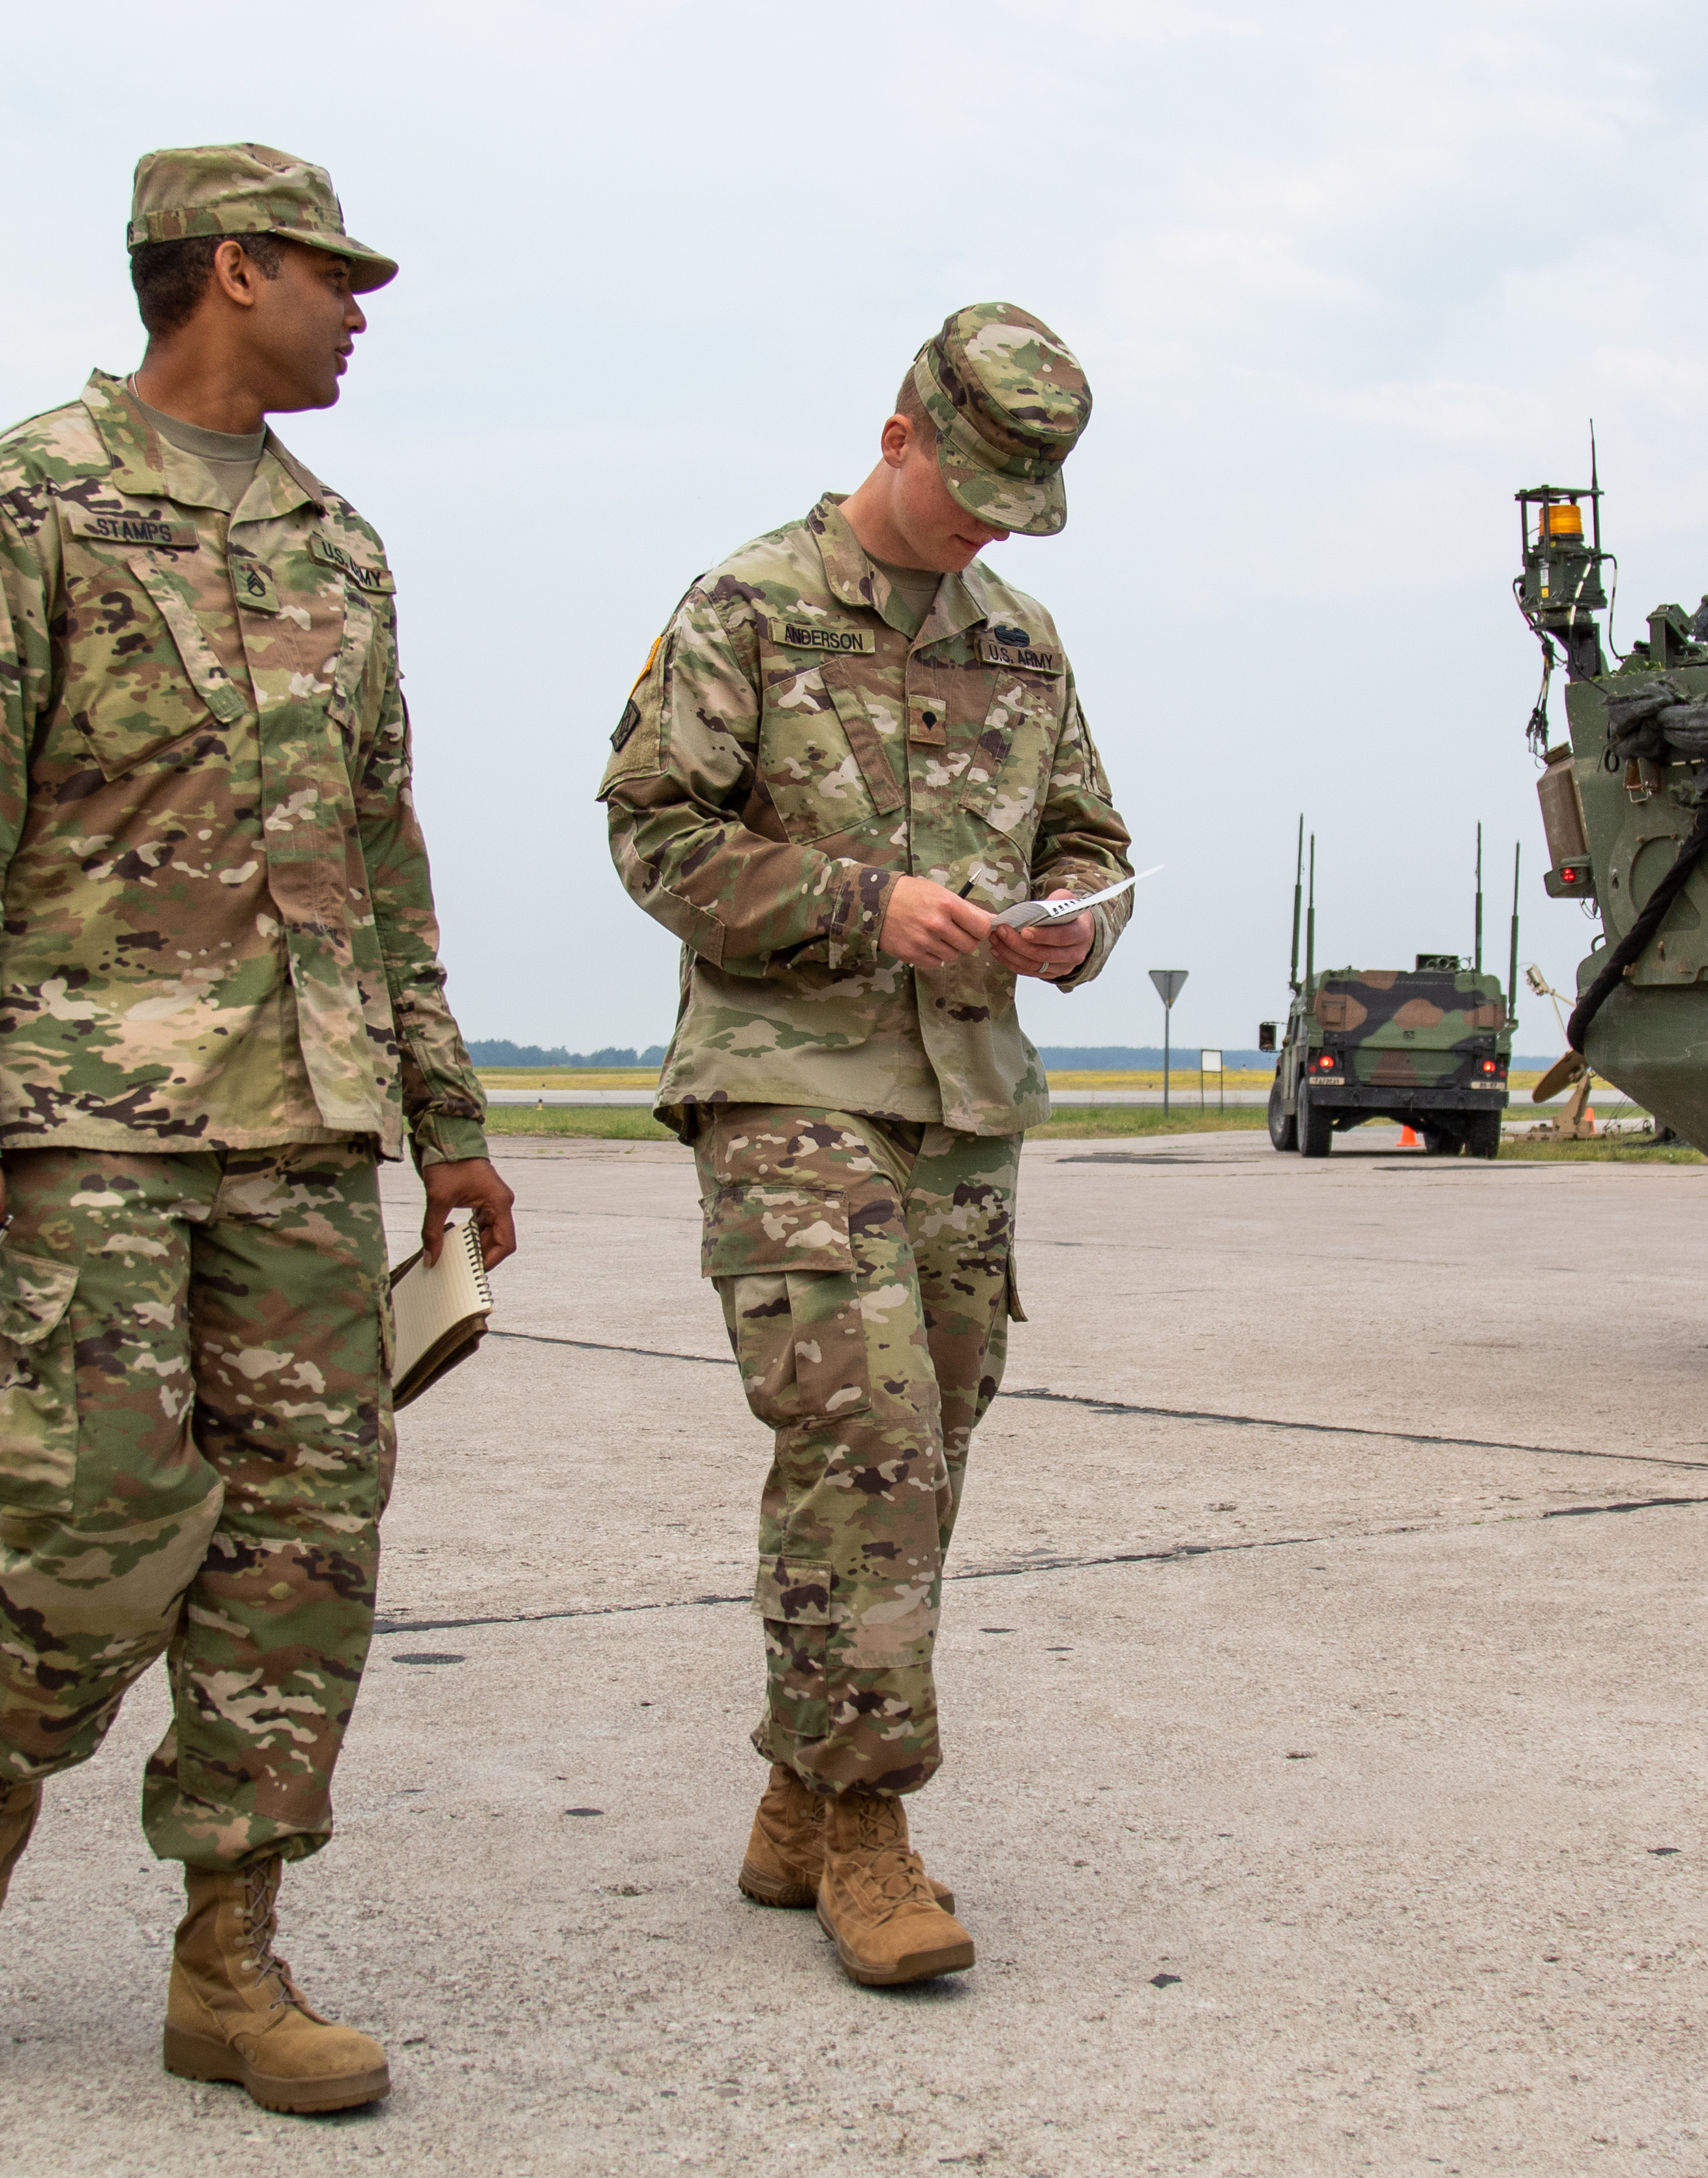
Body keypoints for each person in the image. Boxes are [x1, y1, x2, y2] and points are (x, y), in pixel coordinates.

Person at [0, 143, 513, 2115]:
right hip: (86, 1118)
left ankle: (229, 1954)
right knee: (94, 1509)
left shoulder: (341, 549)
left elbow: (378, 855)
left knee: (306, 1545)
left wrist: (448, 1123)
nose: (358, 309)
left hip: (306, 1126)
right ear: (233, 270)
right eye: (332, 275)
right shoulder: (26, 497)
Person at [597, 302, 1133, 1989]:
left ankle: (793, 1770)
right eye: (966, 483)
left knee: (920, 1458)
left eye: (1014, 503)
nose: (982, 524)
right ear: (897, 430)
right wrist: (856, 903)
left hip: (965, 1104)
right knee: (872, 1431)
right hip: (783, 1081)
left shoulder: (1024, 644)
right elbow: (649, 829)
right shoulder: (746, 608)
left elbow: (1090, 835)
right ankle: (871, 1824)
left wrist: (1074, 927)